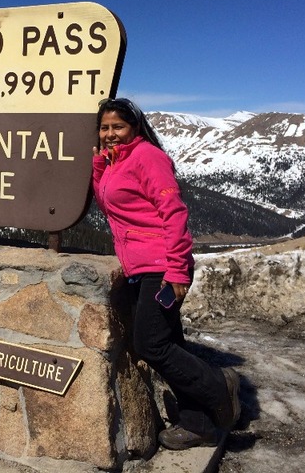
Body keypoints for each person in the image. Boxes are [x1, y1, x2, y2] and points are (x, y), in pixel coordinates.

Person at [91, 97, 241, 450]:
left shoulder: (148, 157)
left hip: (161, 267)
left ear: (136, 127)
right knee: (171, 344)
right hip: (143, 267)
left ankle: (219, 387)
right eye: (105, 127)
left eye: (118, 127)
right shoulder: (117, 160)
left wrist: (176, 270)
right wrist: (99, 165)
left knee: (151, 344)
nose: (110, 134)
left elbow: (174, 213)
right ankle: (198, 425)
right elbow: (108, 203)